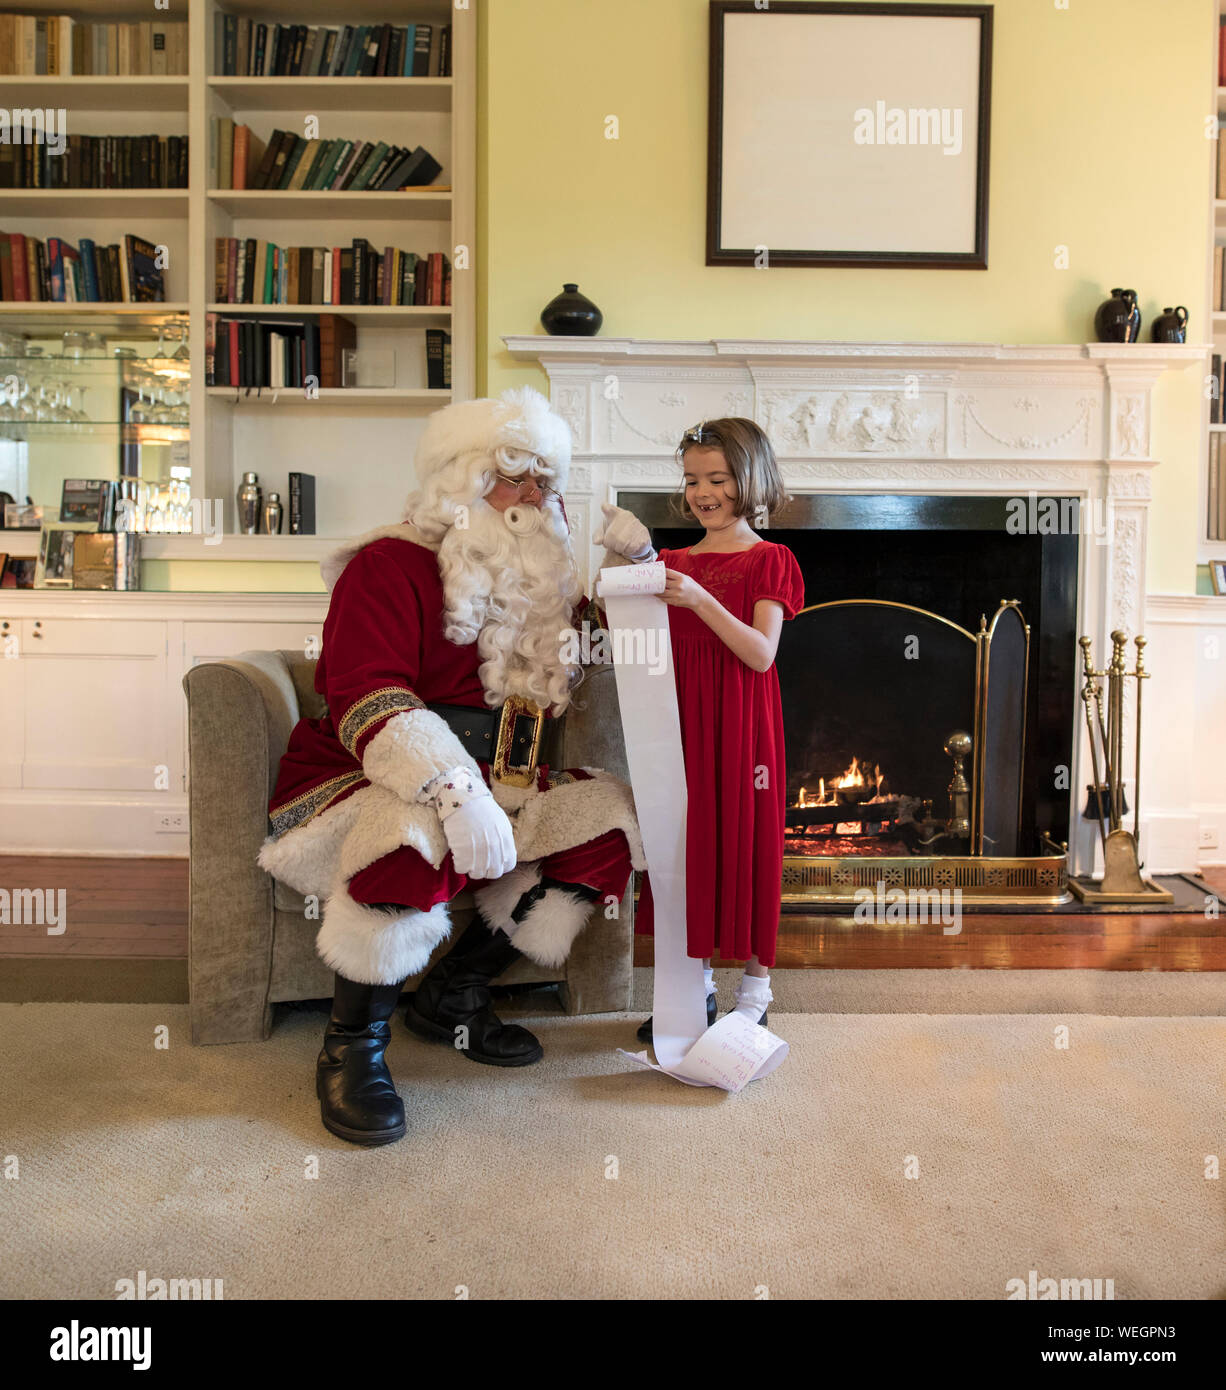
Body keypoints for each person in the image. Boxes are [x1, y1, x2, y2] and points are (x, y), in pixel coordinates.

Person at [258, 386, 644, 1146]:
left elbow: (612, 658)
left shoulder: (543, 583)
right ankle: (353, 1043)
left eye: (546, 480)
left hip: (507, 780)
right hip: (371, 775)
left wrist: (640, 570)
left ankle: (455, 993)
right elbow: (367, 693)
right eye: (516, 475)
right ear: (461, 482)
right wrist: (451, 785)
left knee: (612, 823)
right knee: (410, 831)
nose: (535, 495)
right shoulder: (387, 565)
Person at [594, 417, 803, 1042]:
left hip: (743, 727)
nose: (703, 492)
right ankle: (695, 989)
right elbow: (615, 621)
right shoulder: (671, 562)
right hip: (675, 725)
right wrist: (616, 558)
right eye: (692, 480)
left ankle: (755, 992)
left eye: (718, 478)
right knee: (684, 846)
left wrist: (701, 602)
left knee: (747, 843)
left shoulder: (771, 559)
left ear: (751, 479)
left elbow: (761, 654)